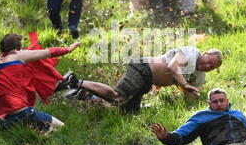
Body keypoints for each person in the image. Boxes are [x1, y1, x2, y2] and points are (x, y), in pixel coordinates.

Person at [62, 46, 223, 112]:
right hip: (143, 68)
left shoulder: (200, 77)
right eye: (208, 61)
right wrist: (185, 84)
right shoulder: (191, 53)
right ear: (206, 53)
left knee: (124, 110)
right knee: (117, 97)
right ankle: (75, 81)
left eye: (211, 67)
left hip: (147, 82)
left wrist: (193, 108)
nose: (207, 66)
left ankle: (82, 94)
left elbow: (189, 97)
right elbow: (172, 67)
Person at [0, 32, 80, 132]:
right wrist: (68, 49)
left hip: (2, 114)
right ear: (18, 47)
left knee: (44, 132)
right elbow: (50, 52)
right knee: (63, 128)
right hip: (21, 111)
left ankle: (13, 126)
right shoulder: (20, 55)